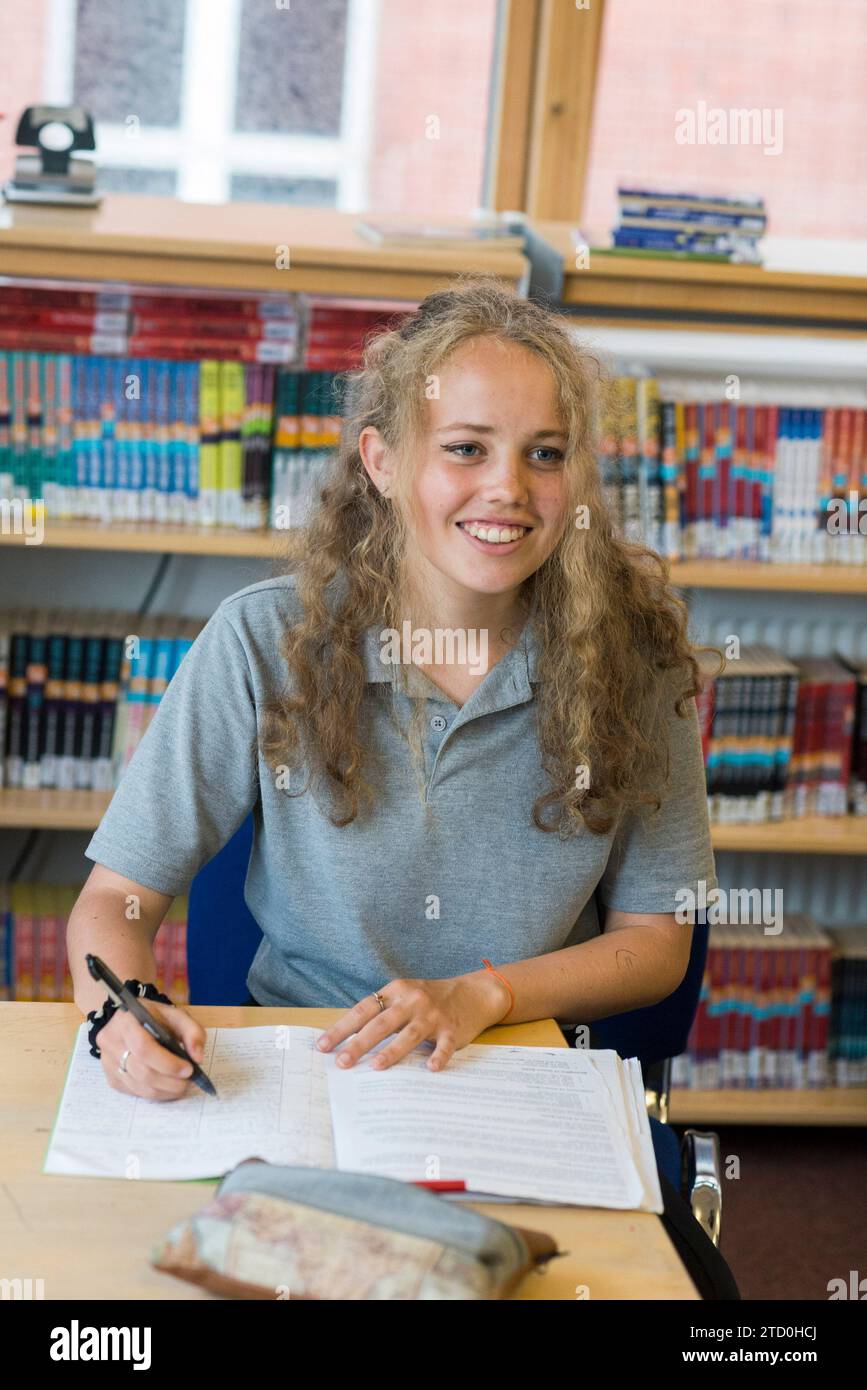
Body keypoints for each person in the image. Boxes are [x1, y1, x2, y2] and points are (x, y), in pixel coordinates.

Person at [67, 274, 721, 1102]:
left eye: (544, 454)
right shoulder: (259, 641)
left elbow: (655, 946)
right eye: (465, 448)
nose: (508, 488)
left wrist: (482, 995)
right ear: (382, 460)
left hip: (521, 1072)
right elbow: (117, 897)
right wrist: (120, 1011)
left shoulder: (637, 662)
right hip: (306, 1069)